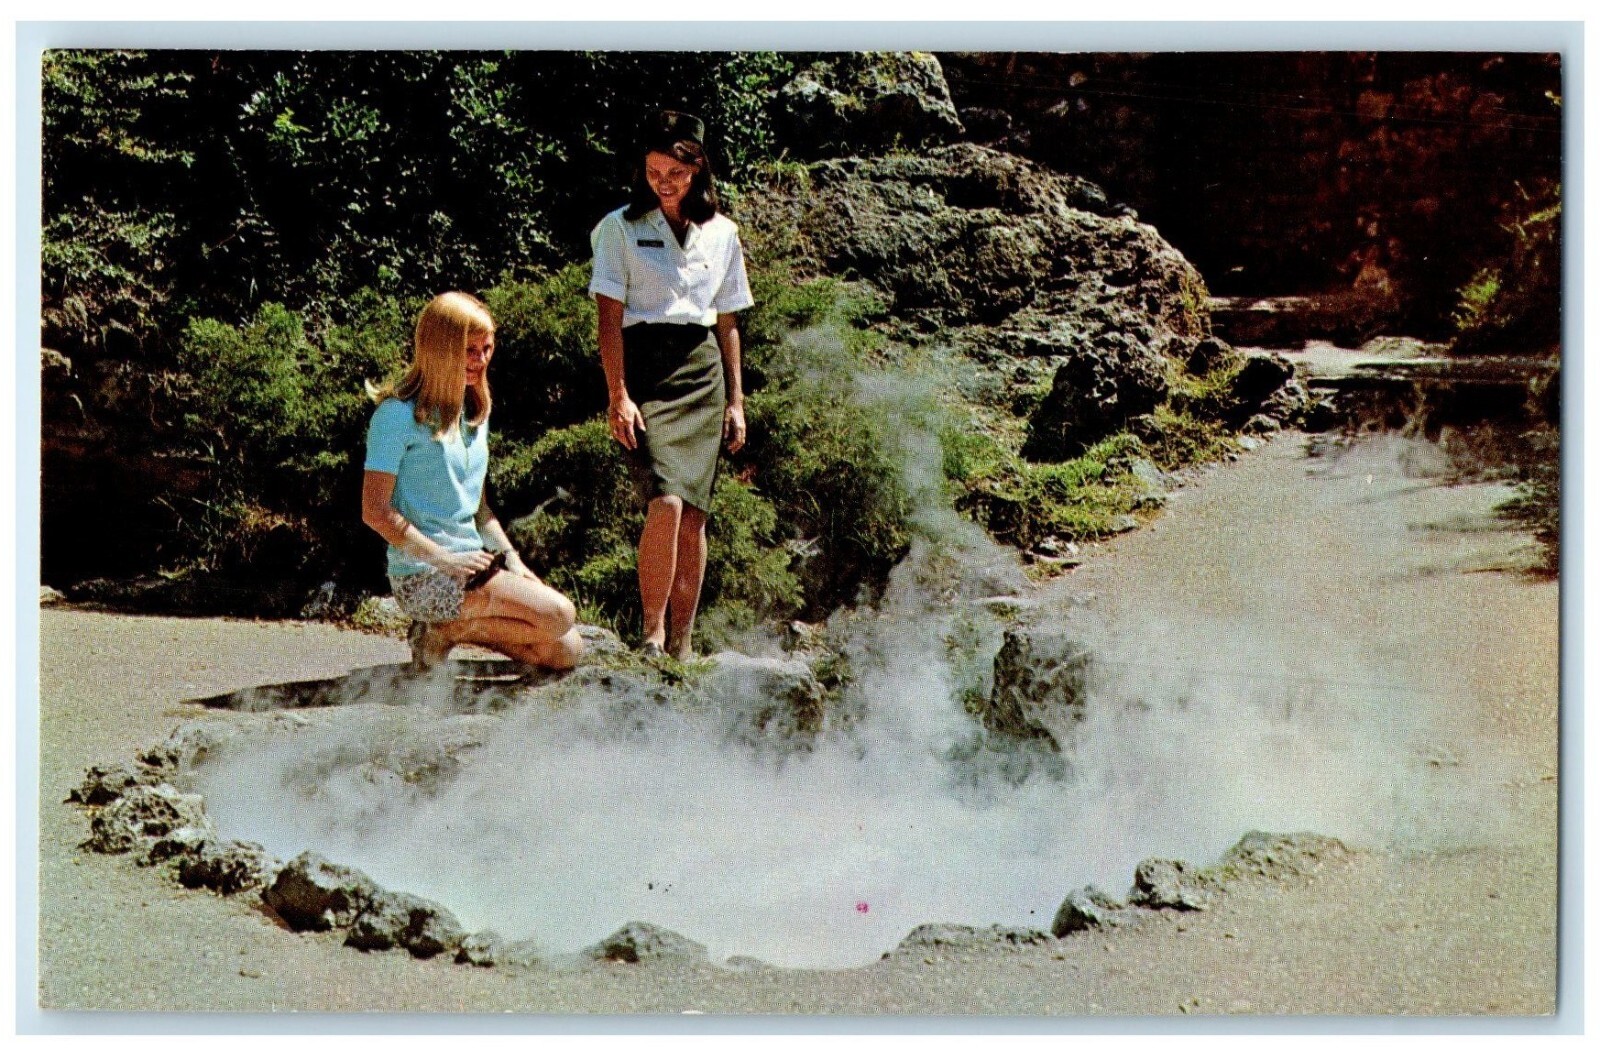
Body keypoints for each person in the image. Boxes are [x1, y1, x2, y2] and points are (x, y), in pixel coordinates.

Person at [589, 110, 755, 660]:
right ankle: (652, 635)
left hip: (701, 370)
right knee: (664, 499)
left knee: (695, 514)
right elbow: (608, 318)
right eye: (656, 171)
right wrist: (618, 394)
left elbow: (728, 320)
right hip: (645, 368)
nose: (664, 182)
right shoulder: (618, 228)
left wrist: (736, 400)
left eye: (677, 174)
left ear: (698, 170)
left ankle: (683, 644)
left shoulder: (723, 233)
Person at [362, 291, 583, 672]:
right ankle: (441, 631)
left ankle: (447, 631)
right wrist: (445, 560)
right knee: (559, 614)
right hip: (424, 575)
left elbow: (479, 510)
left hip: (473, 568)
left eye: (486, 348)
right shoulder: (395, 416)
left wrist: (515, 563)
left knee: (566, 651)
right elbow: (375, 513)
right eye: (469, 350)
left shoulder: (473, 412)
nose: (480, 361)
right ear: (437, 348)